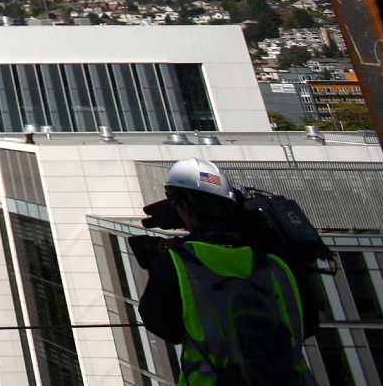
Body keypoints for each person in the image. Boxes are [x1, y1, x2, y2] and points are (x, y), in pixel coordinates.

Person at [134, 157, 315, 384]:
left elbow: (163, 326)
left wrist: (157, 265)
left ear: (183, 206)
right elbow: (308, 323)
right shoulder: (277, 261)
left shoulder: (177, 263)